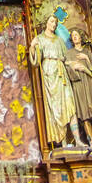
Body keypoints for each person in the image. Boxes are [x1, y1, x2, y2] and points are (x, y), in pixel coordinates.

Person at [28, 13, 82, 148]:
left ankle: (78, 140)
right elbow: (35, 61)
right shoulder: (40, 38)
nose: (53, 25)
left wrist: (74, 64)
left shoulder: (59, 40)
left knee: (70, 106)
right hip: (49, 74)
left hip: (61, 73)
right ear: (46, 22)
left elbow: (66, 57)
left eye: (55, 23)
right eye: (51, 21)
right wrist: (32, 47)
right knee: (55, 108)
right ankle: (63, 142)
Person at [64, 27, 92, 150]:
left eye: (76, 35)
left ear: (80, 37)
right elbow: (68, 70)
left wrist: (86, 59)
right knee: (84, 114)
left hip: (89, 83)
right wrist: (75, 69)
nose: (75, 37)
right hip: (78, 85)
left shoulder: (87, 52)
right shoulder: (69, 54)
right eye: (73, 36)